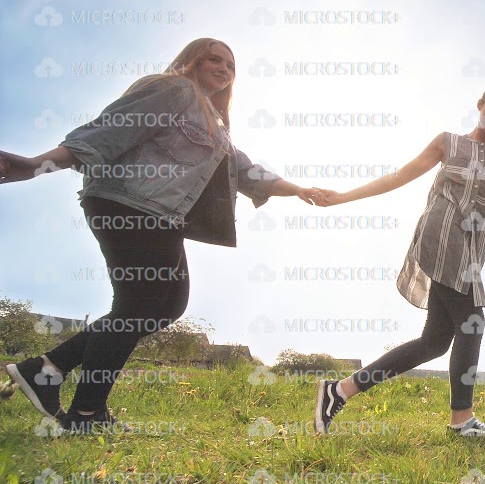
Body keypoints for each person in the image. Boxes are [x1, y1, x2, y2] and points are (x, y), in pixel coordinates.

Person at [1, 38, 322, 434]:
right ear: (191, 60)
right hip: (131, 204)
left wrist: (301, 190)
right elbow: (111, 130)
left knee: (167, 304)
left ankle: (46, 370)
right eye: (214, 59)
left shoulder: (219, 129)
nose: (224, 69)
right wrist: (39, 164)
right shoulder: (175, 89)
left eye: (231, 65)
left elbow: (251, 173)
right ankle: (86, 414)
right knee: (139, 304)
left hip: (159, 215)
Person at [311, 63, 485, 437]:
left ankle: (339, 390)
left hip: (467, 253)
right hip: (440, 235)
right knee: (473, 321)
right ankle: (462, 420)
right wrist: (342, 197)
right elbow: (398, 177)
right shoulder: (449, 143)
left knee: (435, 342)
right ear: (480, 104)